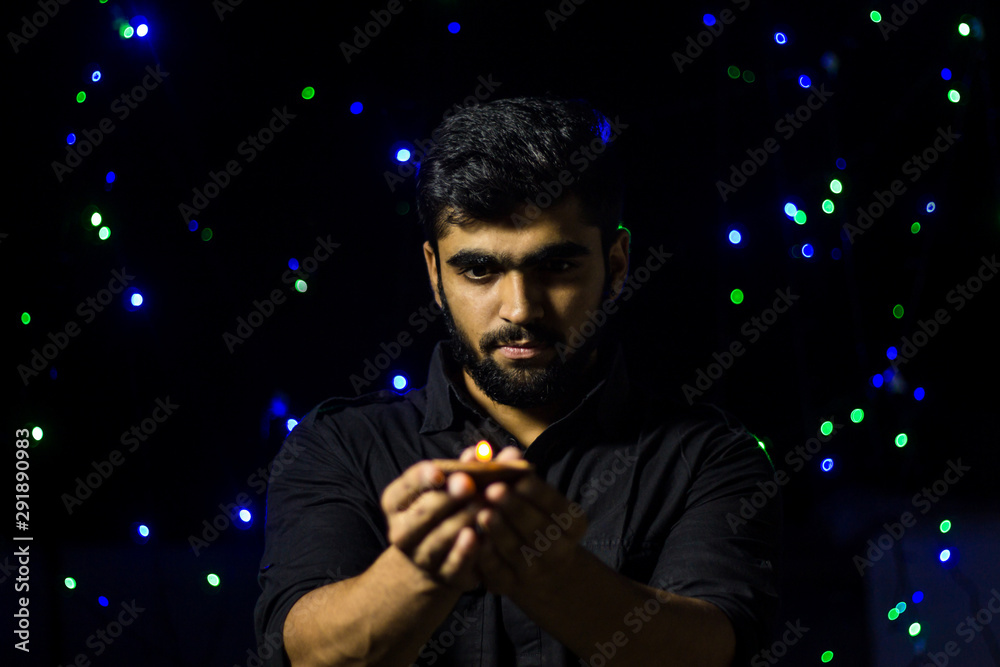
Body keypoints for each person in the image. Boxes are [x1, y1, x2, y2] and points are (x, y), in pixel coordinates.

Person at [253, 95, 780, 667]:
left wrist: (549, 571)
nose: (520, 309)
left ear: (618, 263)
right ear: (435, 273)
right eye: (480, 270)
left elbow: (713, 653)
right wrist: (423, 569)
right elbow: (307, 654)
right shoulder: (338, 446)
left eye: (556, 266)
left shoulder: (708, 457)